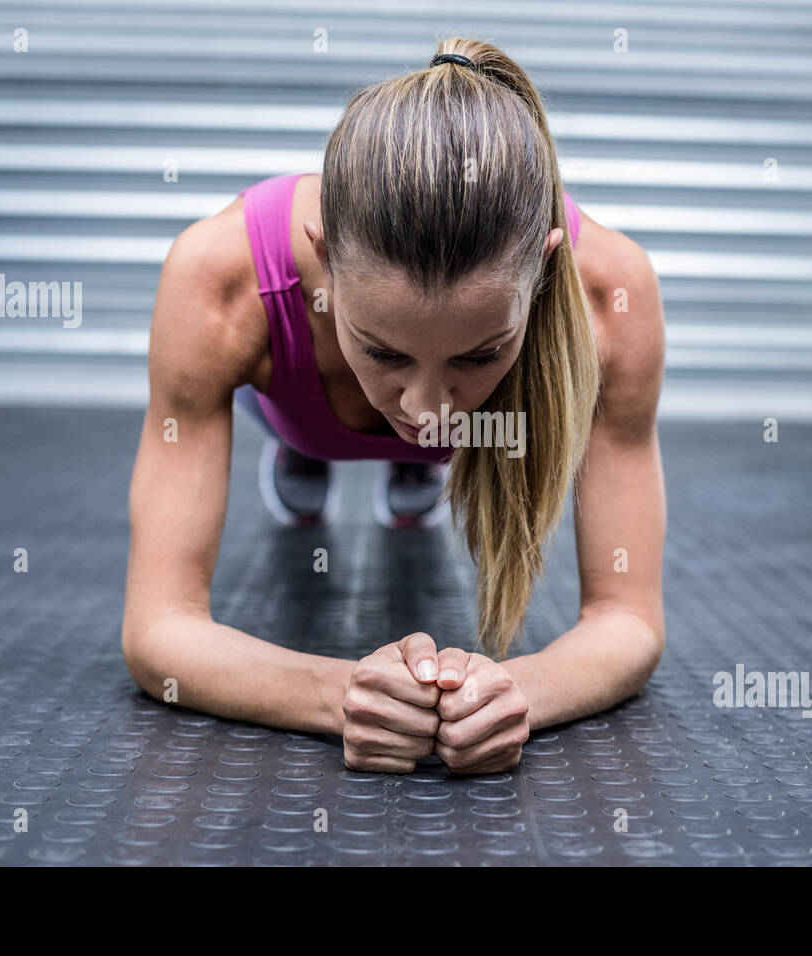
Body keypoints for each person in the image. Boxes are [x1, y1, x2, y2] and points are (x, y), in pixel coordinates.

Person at [121, 38, 667, 775]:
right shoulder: (220, 282)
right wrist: (343, 693)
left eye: (479, 353)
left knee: (439, 422)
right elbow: (158, 632)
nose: (427, 405)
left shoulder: (609, 296)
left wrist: (515, 694)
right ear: (325, 258)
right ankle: (308, 440)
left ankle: (407, 441)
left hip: (492, 427)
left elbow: (629, 619)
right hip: (297, 400)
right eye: (385, 351)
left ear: (543, 271)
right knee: (324, 423)